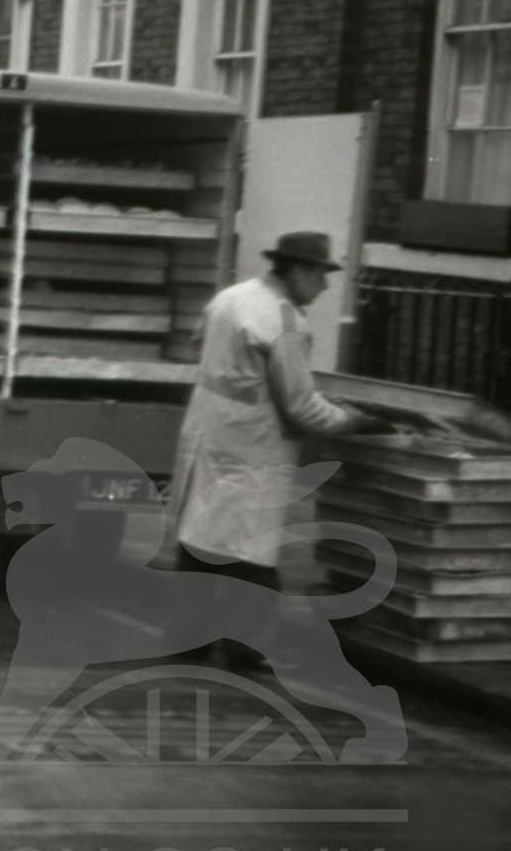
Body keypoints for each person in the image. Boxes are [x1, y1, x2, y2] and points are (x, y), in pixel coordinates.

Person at [165, 230, 391, 601]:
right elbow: (302, 407)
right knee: (250, 560)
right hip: (251, 454)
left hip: (209, 439)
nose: (324, 287)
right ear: (299, 271)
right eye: (320, 276)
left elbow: (198, 345)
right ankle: (245, 637)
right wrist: (353, 421)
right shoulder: (284, 321)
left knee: (199, 547)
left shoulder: (230, 298)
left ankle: (190, 632)